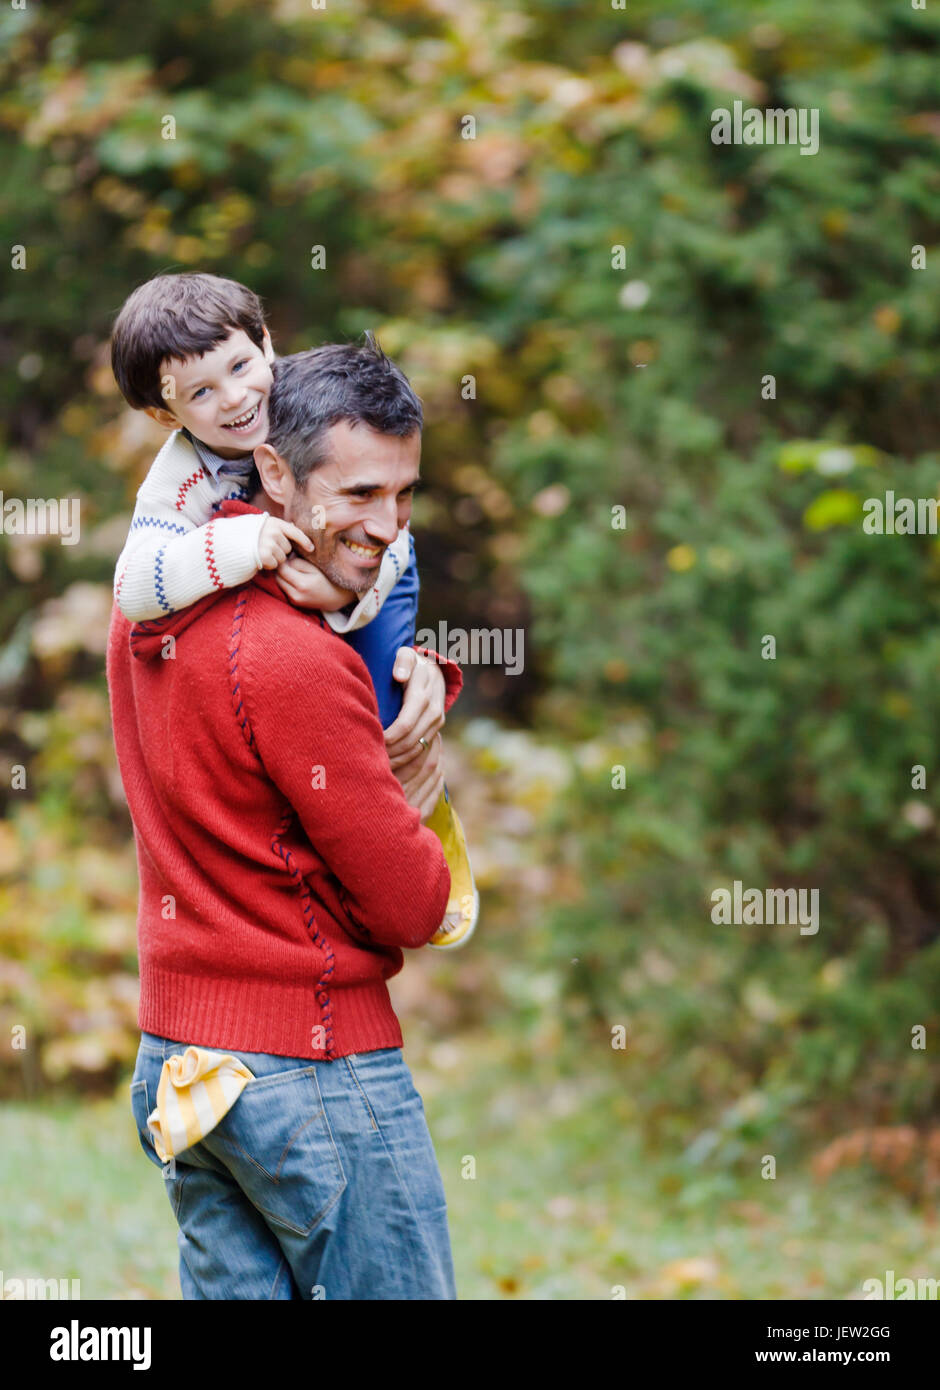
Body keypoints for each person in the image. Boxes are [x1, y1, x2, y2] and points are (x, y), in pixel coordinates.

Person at [107, 343, 464, 1299]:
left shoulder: (147, 609)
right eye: (356, 495)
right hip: (311, 1070)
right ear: (271, 468)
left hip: (182, 1061)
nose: (387, 526)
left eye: (405, 494)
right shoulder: (294, 658)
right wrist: (415, 780)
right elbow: (411, 903)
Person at [110, 271, 476, 945]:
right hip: (302, 1002)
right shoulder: (179, 489)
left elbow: (388, 542)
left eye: (244, 366)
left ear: (266, 344)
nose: (236, 399)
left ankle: (412, 797)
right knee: (365, 765)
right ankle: (398, 826)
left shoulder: (296, 406)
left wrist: (352, 600)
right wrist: (243, 541)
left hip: (368, 593)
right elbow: (134, 590)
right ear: (168, 416)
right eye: (201, 392)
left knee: (388, 693)